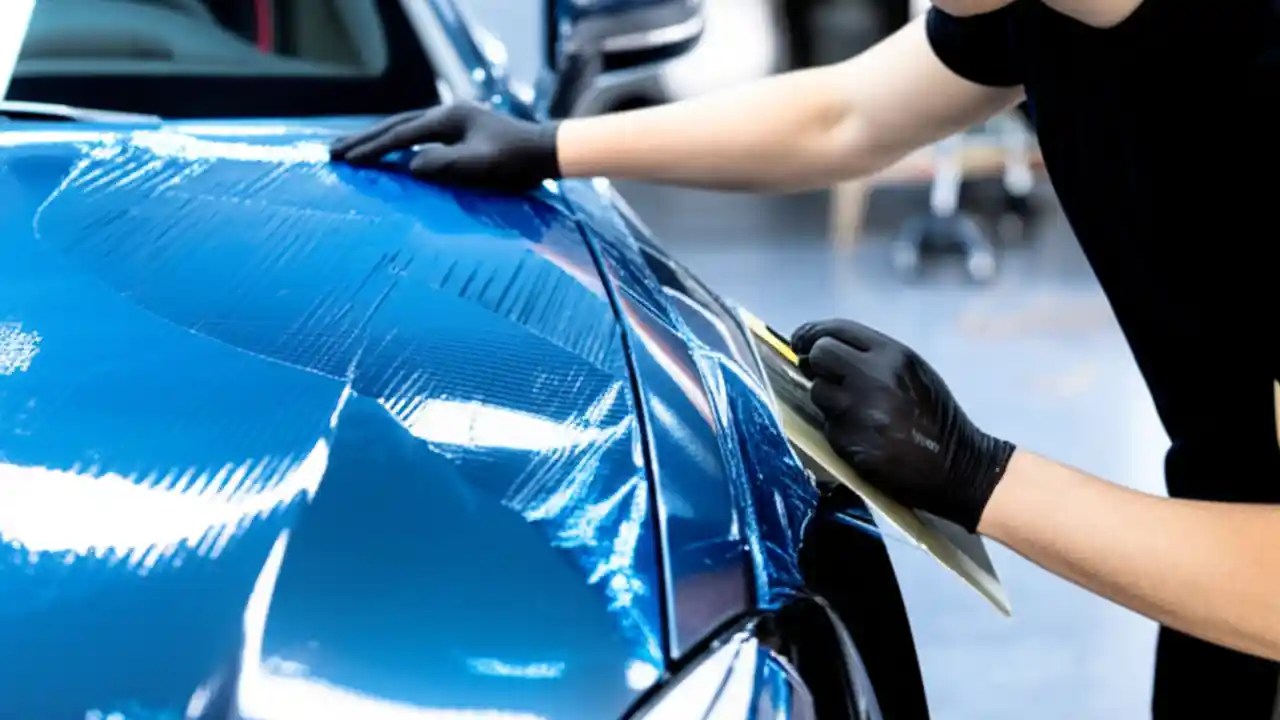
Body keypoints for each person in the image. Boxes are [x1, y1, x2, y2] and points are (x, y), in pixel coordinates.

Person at [329, 0, 1280, 714]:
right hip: (1210, 546)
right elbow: (847, 114)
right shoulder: (1043, 11)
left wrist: (978, 474)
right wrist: (551, 145)